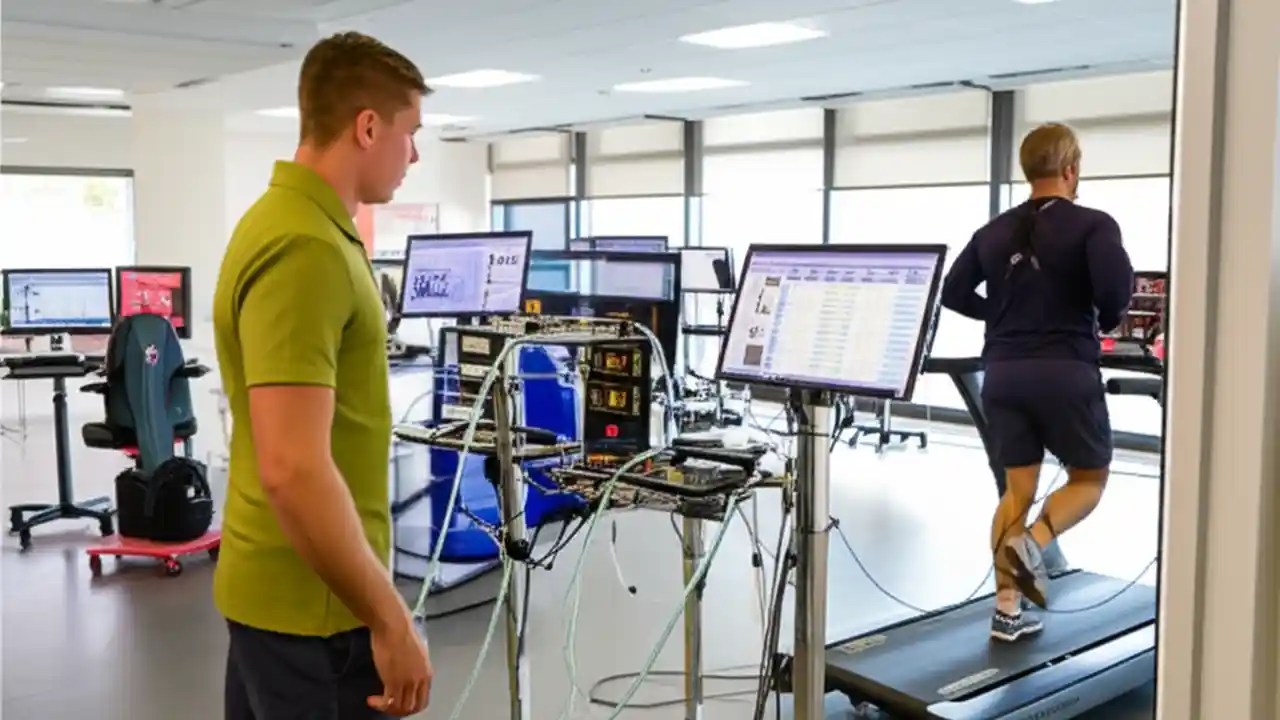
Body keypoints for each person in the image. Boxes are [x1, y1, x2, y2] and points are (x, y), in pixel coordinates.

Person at [212, 32, 432, 718]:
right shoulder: (305, 248)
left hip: (286, 596)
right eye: (410, 133)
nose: (415, 155)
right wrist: (389, 616)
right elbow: (293, 467)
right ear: (367, 126)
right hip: (315, 617)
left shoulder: (292, 221)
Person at [940, 122, 1134, 643]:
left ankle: (1007, 612)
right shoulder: (1094, 224)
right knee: (1089, 480)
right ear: (1072, 170)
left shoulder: (992, 231)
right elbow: (1117, 293)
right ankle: (1036, 542)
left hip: (1001, 373)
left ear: (1029, 170)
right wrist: (1103, 322)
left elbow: (953, 293)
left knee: (1015, 490)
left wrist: (1000, 316)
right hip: (1066, 370)